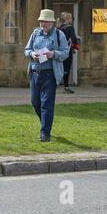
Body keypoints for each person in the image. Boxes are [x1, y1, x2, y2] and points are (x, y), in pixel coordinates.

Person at [24, 9, 70, 141]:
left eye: (45, 21)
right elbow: (27, 50)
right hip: (35, 73)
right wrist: (32, 54)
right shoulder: (35, 33)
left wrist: (53, 54)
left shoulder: (59, 35)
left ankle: (45, 133)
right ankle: (45, 122)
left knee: (46, 104)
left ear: (51, 22)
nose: (42, 23)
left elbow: (65, 53)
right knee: (35, 102)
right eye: (41, 21)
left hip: (49, 74)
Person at [58, 11, 80, 93]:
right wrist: (76, 46)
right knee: (66, 68)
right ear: (67, 19)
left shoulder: (58, 27)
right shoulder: (70, 27)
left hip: (58, 51)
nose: (72, 20)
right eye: (71, 18)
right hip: (67, 50)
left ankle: (57, 84)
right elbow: (74, 39)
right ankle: (66, 87)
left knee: (59, 67)